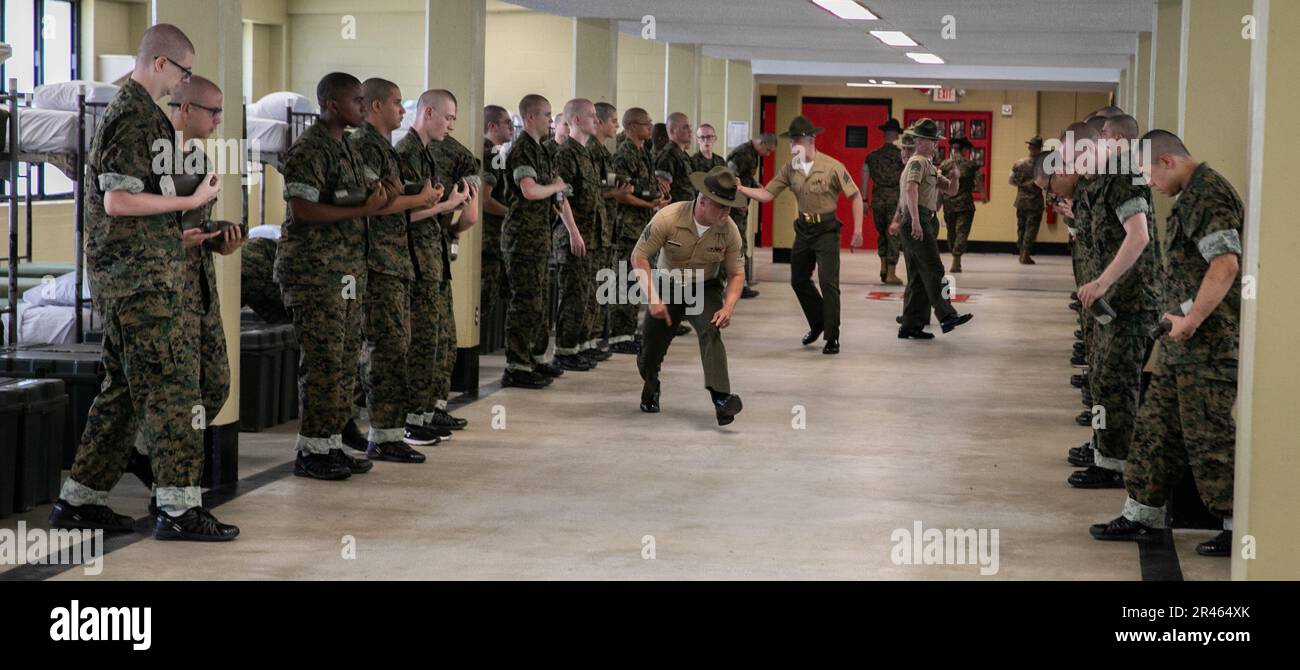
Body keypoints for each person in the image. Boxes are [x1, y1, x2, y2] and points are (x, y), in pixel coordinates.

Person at [49, 24, 240, 541]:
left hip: (143, 277)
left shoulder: (146, 118)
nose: (185, 82)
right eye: (183, 72)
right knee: (173, 386)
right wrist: (189, 202)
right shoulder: (135, 118)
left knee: (126, 394)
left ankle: (80, 499)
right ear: (161, 65)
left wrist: (197, 224)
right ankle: (178, 509)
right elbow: (118, 202)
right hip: (138, 282)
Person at [1091, 130, 1243, 558]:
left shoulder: (1208, 196)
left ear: (1168, 161)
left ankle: (1236, 524)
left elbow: (1226, 264)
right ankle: (1142, 513)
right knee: (1156, 430)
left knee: (1209, 438)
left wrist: (1192, 321)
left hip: (1208, 348)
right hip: (1180, 345)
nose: (1150, 185)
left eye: (1149, 175)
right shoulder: (1188, 195)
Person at [276, 72, 394, 481]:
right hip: (315, 273)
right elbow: (304, 210)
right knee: (323, 362)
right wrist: (364, 209)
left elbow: (356, 194)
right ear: (331, 105)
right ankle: (310, 451)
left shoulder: (345, 147)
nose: (364, 106)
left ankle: (329, 444)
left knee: (344, 362)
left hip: (345, 271)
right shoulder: (308, 149)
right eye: (357, 100)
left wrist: (383, 193)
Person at [348, 78, 444, 462]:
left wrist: (421, 196)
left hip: (395, 260)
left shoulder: (384, 150)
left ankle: (383, 430)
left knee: (395, 345)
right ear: (374, 106)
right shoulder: (365, 146)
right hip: (376, 261)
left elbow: (393, 196)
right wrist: (420, 198)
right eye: (396, 104)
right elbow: (376, 202)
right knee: (386, 347)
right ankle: (382, 435)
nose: (402, 111)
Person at [1069, 123, 1159, 489]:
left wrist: (1102, 282)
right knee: (1105, 382)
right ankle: (1103, 450)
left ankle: (1115, 463)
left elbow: (1140, 235)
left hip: (1131, 302)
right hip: (1110, 304)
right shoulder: (1106, 178)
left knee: (1116, 385)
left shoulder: (1125, 176)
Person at [736, 115, 864, 354]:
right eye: (791, 140)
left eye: (797, 139)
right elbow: (767, 194)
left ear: (811, 139)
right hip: (804, 230)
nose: (793, 144)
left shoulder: (832, 166)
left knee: (828, 282)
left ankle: (832, 336)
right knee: (798, 280)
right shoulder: (790, 168)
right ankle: (818, 324)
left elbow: (855, 195)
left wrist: (858, 230)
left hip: (826, 230)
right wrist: (741, 188)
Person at [633, 166, 746, 426]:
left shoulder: (729, 230)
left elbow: (736, 274)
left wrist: (727, 308)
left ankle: (721, 399)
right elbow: (638, 257)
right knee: (650, 350)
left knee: (711, 328)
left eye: (729, 207)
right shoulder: (668, 218)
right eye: (720, 206)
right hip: (666, 284)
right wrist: (652, 298)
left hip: (703, 287)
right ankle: (651, 387)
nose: (726, 213)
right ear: (702, 200)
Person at [500, 94, 580, 388]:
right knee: (524, 302)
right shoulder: (522, 150)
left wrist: (568, 221)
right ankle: (517, 365)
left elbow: (554, 194)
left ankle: (534, 357)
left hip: (539, 236)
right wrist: (556, 186)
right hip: (522, 237)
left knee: (538, 300)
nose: (551, 119)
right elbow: (530, 191)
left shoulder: (542, 151)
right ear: (530, 117)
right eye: (546, 115)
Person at [888, 118, 973, 339]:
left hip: (922, 218)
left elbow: (950, 191)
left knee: (918, 276)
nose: (935, 144)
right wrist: (915, 220)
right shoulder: (917, 162)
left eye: (936, 141)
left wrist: (955, 179)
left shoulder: (928, 165)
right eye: (931, 140)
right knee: (934, 270)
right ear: (919, 141)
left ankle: (910, 325)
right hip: (919, 219)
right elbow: (910, 189)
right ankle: (947, 315)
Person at [425, 97, 481, 430]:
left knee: (428, 339)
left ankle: (424, 412)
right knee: (438, 339)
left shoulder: (402, 152)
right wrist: (453, 233)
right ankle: (428, 410)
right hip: (433, 254)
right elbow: (471, 214)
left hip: (412, 257)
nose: (452, 125)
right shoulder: (460, 154)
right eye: (449, 117)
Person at [608, 107, 670, 355]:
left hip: (642, 226)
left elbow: (643, 186)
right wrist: (650, 204)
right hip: (627, 227)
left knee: (637, 280)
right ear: (632, 126)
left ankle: (629, 330)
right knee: (625, 277)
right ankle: (619, 335)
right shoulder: (624, 154)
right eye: (646, 124)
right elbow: (622, 194)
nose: (650, 127)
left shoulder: (644, 152)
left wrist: (659, 196)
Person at [551, 98, 602, 371]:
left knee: (586, 295)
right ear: (578, 120)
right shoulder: (566, 153)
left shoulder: (586, 152)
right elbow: (560, 196)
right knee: (573, 295)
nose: (597, 120)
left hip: (591, 236)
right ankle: (565, 350)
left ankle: (579, 345)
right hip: (573, 235)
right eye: (592, 115)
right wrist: (573, 231)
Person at [725, 133, 775, 299]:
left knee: (740, 244)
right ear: (760, 142)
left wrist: (755, 185)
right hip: (733, 208)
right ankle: (739, 286)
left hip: (740, 208)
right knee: (738, 244)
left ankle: (740, 285)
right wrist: (738, 201)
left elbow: (744, 176)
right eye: (767, 150)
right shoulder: (742, 153)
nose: (767, 154)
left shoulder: (752, 153)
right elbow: (729, 178)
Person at [481, 104, 514, 327]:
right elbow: (485, 200)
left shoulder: (494, 154)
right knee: (485, 297)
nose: (511, 128)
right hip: (489, 239)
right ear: (492, 126)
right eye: (507, 123)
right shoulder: (491, 155)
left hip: (494, 239)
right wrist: (513, 213)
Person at [864, 118, 905, 285]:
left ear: (884, 134)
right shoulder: (902, 156)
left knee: (882, 233)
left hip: (878, 199)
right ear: (896, 135)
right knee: (893, 235)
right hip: (895, 199)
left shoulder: (872, 156)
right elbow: (906, 180)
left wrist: (865, 200)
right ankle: (891, 273)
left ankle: (882, 265)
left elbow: (865, 176)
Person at [938, 137, 983, 272]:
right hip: (965, 205)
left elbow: (939, 184)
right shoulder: (971, 165)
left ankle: (954, 255)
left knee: (951, 232)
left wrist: (938, 202)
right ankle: (956, 260)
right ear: (964, 150)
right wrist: (984, 195)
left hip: (949, 204)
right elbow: (980, 180)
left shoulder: (945, 164)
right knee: (961, 232)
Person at [1009, 136, 1045, 264]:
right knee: (1031, 228)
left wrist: (1022, 186)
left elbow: (1011, 180)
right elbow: (1047, 183)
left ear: (1029, 147)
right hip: (1035, 201)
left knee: (1021, 227)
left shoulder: (1019, 163)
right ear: (1040, 148)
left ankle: (1021, 253)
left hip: (1021, 201)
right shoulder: (1043, 165)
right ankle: (1026, 254)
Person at [655, 112, 697, 204]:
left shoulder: (683, 155)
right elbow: (663, 192)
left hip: (687, 207)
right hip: (675, 210)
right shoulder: (668, 155)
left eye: (690, 127)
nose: (690, 131)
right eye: (685, 127)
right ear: (672, 131)